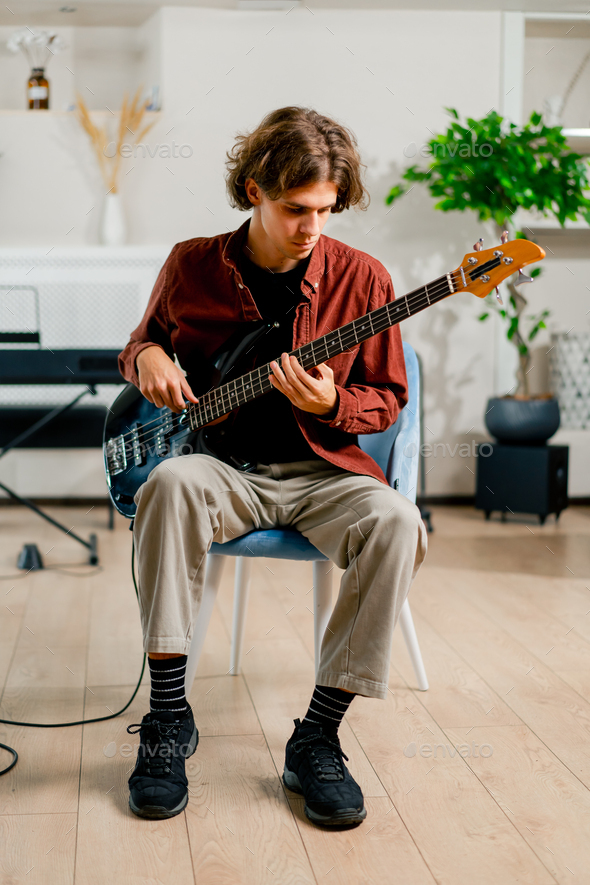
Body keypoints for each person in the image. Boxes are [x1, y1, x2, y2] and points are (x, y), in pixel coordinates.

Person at [118, 106, 428, 828]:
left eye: (326, 209)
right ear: (254, 188)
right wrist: (151, 357)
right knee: (167, 484)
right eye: (296, 208)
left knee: (396, 520)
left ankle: (317, 734)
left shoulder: (364, 277)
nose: (313, 226)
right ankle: (167, 720)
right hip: (222, 467)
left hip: (325, 473)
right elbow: (138, 347)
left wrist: (331, 404)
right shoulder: (191, 264)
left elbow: (386, 400)